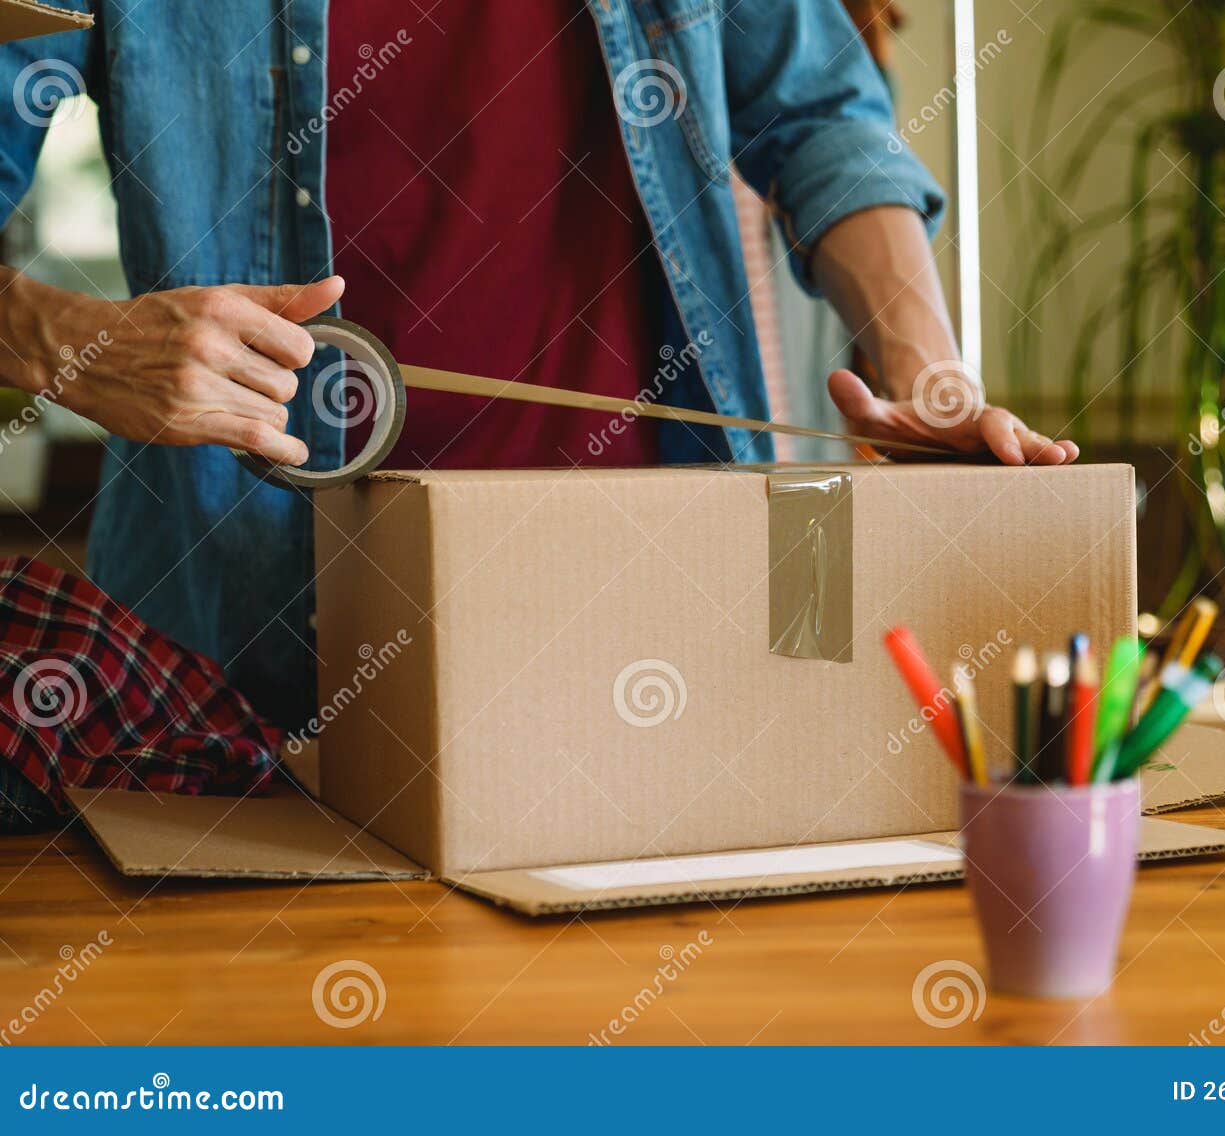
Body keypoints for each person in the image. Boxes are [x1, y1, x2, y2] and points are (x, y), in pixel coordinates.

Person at [0, 1, 1075, 726]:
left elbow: (822, 114)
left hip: (669, 610)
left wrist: (925, 372)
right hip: (257, 649)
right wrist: (68, 343)